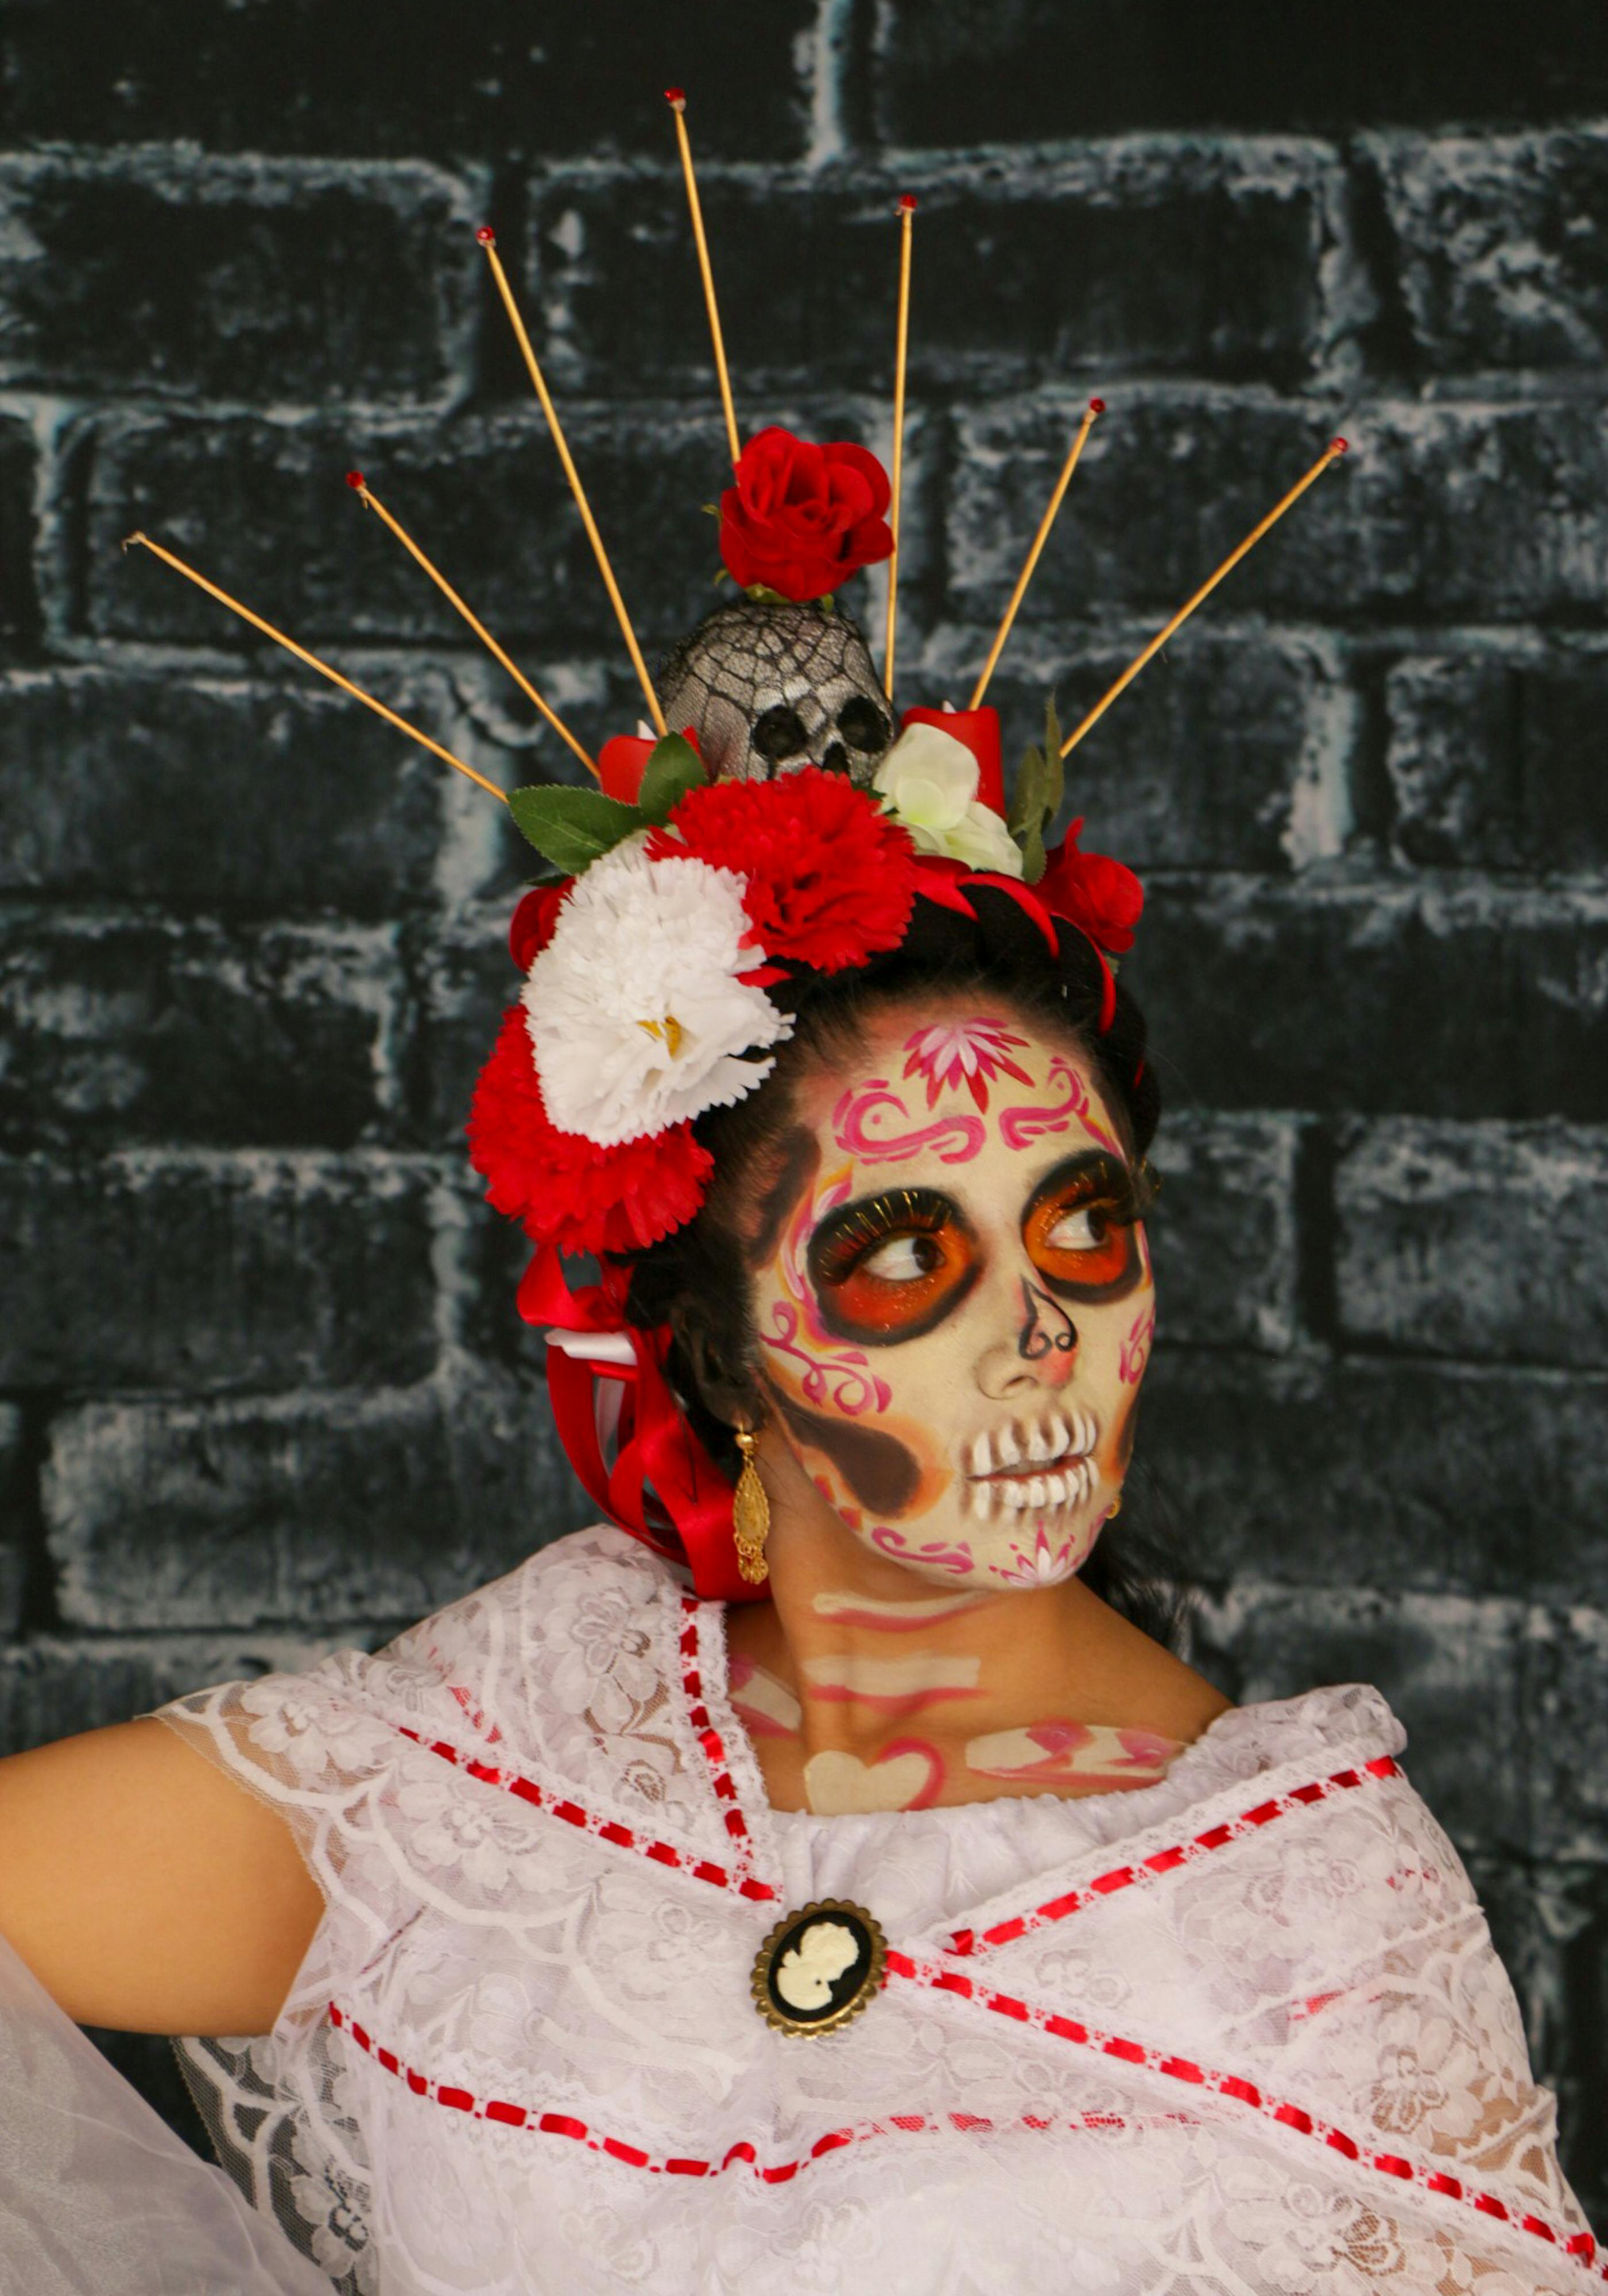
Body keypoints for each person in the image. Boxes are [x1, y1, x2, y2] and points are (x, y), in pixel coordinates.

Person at [0, 144, 1596, 2295]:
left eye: (1082, 1232)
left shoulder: (1311, 1899)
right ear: (715, 1332)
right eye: (907, 1255)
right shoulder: (516, 1753)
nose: (1035, 1336)